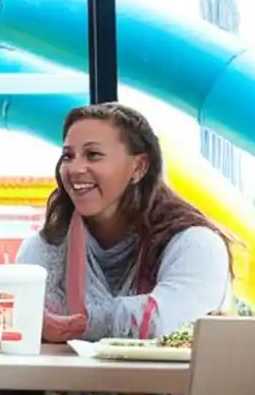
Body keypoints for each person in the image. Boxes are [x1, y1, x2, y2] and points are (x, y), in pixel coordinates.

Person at [17, 103, 233, 345]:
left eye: (93, 155)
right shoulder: (46, 248)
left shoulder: (197, 245)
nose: (75, 169)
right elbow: (20, 321)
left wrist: (81, 325)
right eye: (68, 156)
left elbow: (168, 325)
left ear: (139, 167)